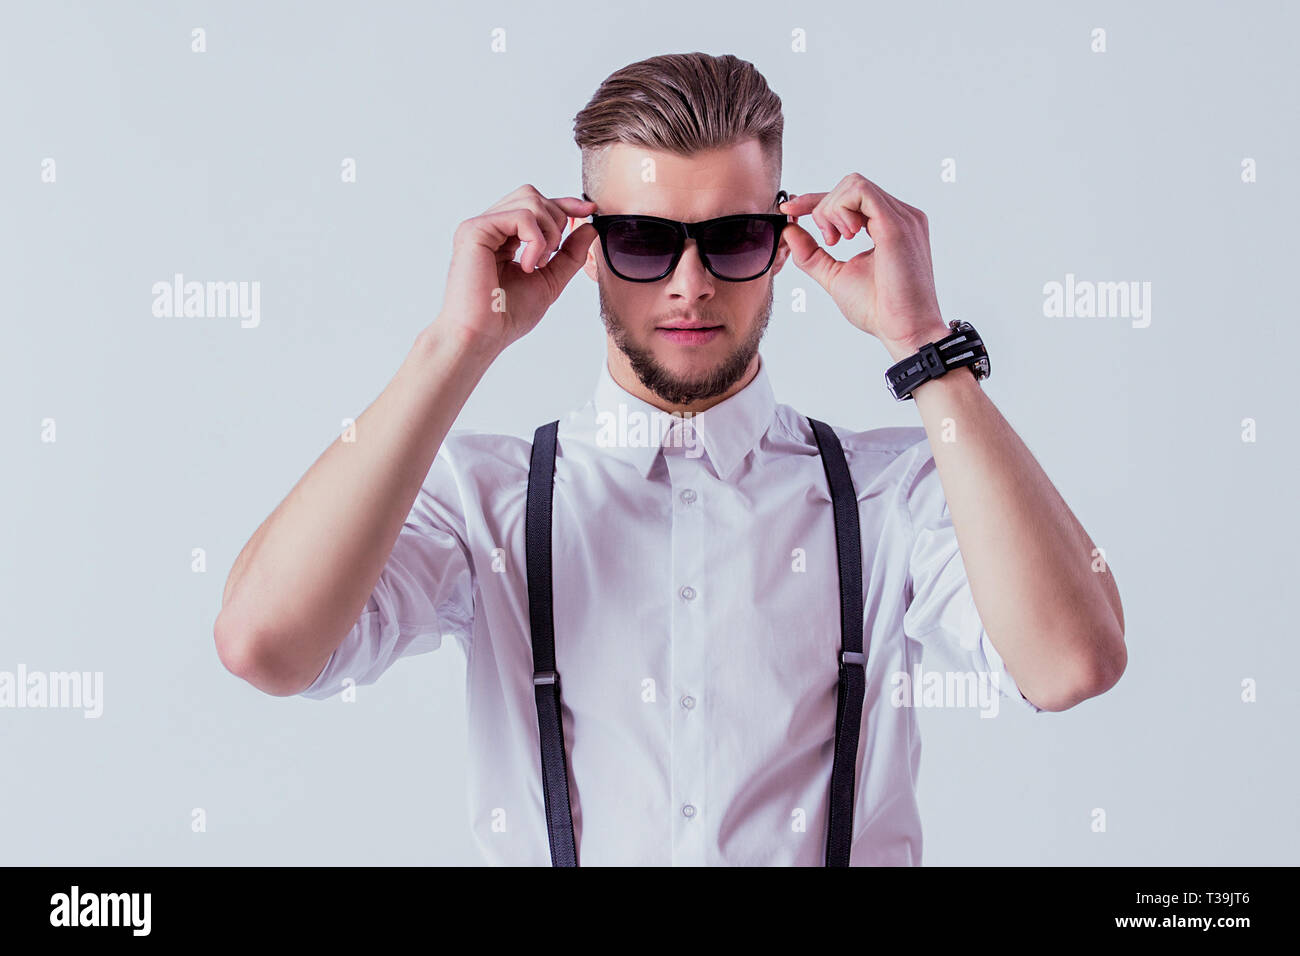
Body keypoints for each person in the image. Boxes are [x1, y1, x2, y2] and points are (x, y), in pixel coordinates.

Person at [214, 51, 1126, 865]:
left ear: (780, 243)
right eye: (646, 239)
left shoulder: (895, 493)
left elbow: (1070, 663)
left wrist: (924, 345)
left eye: (732, 237)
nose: (691, 284)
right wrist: (455, 346)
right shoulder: (486, 501)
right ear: (589, 247)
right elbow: (266, 645)